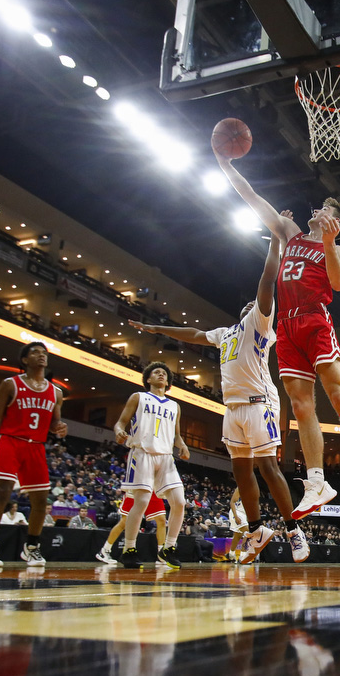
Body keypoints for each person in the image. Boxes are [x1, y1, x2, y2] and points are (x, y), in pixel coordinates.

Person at [212, 147, 340, 521]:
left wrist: (330, 243)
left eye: (323, 208)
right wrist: (226, 166)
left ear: (333, 220)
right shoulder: (292, 234)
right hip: (286, 326)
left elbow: (338, 282)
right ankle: (317, 482)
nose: (315, 210)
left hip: (315, 320)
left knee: (338, 395)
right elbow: (254, 199)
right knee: (301, 406)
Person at [129, 234, 310, 565]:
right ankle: (256, 530)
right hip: (233, 408)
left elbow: (267, 280)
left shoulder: (260, 323)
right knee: (241, 472)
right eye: (246, 304)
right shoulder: (226, 333)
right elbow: (195, 334)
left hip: (259, 403)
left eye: (255, 304)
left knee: (268, 467)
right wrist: (158, 328)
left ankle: (293, 530)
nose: (250, 305)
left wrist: (275, 244)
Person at [0, 342, 68, 568]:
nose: (41, 355)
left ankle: (31, 547)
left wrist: (59, 427)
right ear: (24, 360)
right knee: (2, 494)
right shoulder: (10, 384)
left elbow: (54, 422)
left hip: (36, 446)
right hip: (10, 441)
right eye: (35, 352)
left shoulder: (56, 392)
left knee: (41, 501)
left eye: (44, 353)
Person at [113, 362, 189, 569]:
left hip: (166, 457)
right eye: (157, 372)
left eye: (164, 373)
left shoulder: (175, 406)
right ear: (148, 379)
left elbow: (177, 435)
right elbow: (120, 422)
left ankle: (169, 548)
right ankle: (129, 549)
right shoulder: (138, 397)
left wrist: (182, 445)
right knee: (142, 501)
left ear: (168, 381)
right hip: (142, 452)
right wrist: (119, 431)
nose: (161, 374)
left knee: (179, 502)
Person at [95, 492, 168, 565]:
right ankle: (105, 550)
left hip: (153, 491)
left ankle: (161, 555)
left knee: (161, 520)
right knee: (124, 522)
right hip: (136, 490)